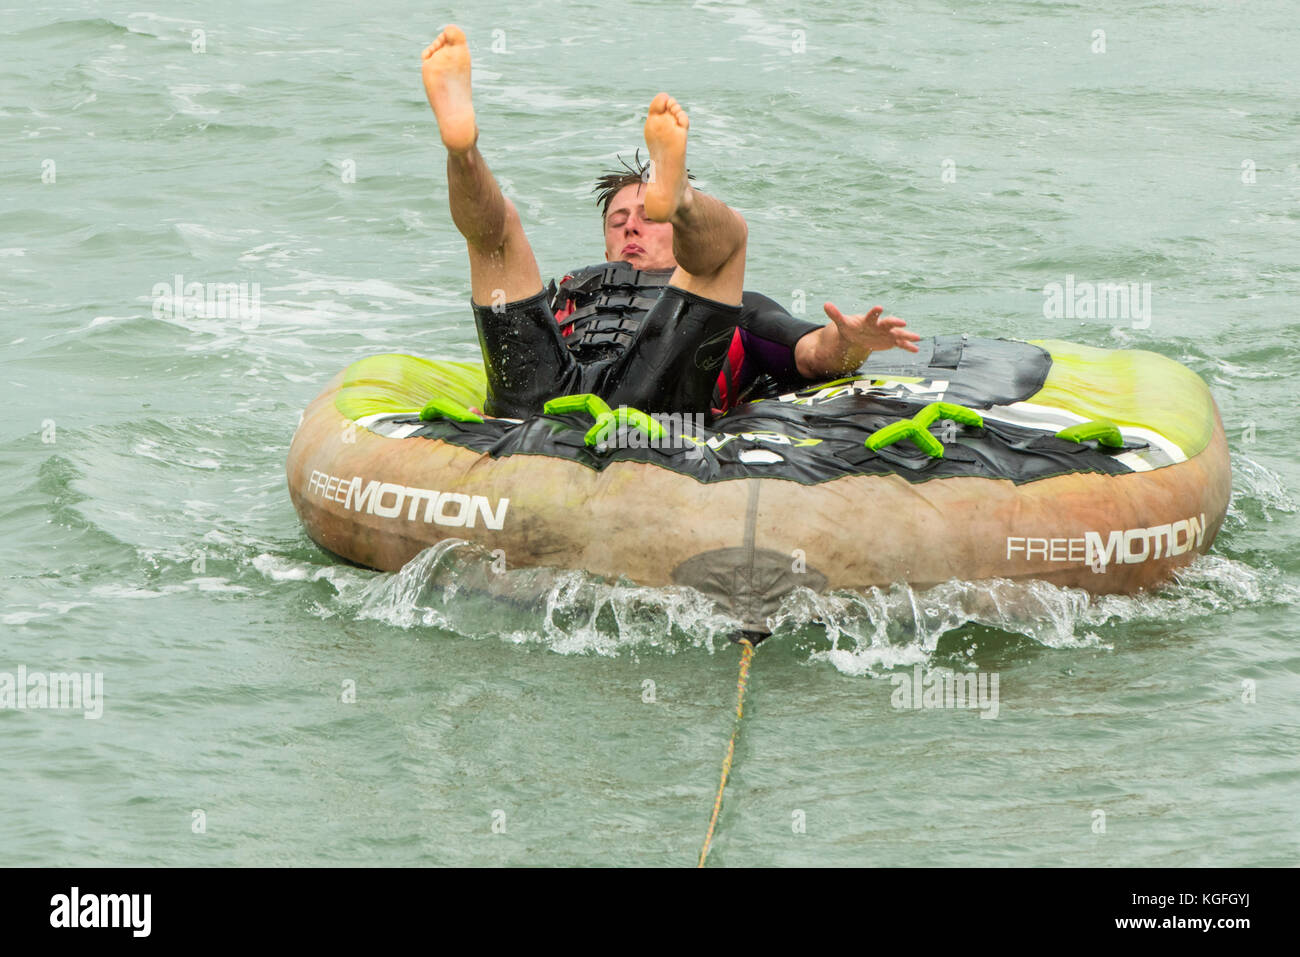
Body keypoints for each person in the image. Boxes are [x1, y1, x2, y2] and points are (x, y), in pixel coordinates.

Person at [420, 25, 920, 420]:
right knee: (499, 235)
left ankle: (678, 195)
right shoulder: (560, 296)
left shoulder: (738, 310)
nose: (631, 228)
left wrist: (852, 342)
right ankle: (462, 150)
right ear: (606, 240)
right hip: (570, 403)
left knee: (723, 245)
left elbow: (812, 354)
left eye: (646, 216)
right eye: (618, 221)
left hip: (642, 409)